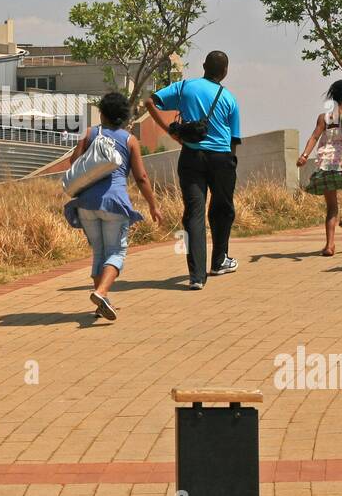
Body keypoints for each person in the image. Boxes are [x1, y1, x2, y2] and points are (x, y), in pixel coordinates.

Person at [145, 51, 241, 290]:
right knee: (223, 210)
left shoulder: (184, 86)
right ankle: (219, 261)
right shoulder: (229, 98)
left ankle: (197, 276)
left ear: (204, 66)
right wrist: (229, 165)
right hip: (221, 158)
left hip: (190, 157)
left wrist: (170, 131)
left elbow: (150, 102)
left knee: (194, 214)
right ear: (225, 72)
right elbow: (234, 140)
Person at [67, 91, 161, 321]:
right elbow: (141, 177)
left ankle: (102, 302)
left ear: (102, 113)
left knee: (99, 251)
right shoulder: (129, 140)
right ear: (125, 116)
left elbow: (73, 162)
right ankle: (100, 293)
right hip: (115, 203)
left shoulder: (89, 133)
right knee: (117, 251)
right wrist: (153, 205)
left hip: (86, 203)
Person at [297, 80, 342, 256]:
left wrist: (304, 155)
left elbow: (314, 137)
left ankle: (329, 246)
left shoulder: (323, 118)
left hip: (325, 164)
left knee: (331, 206)